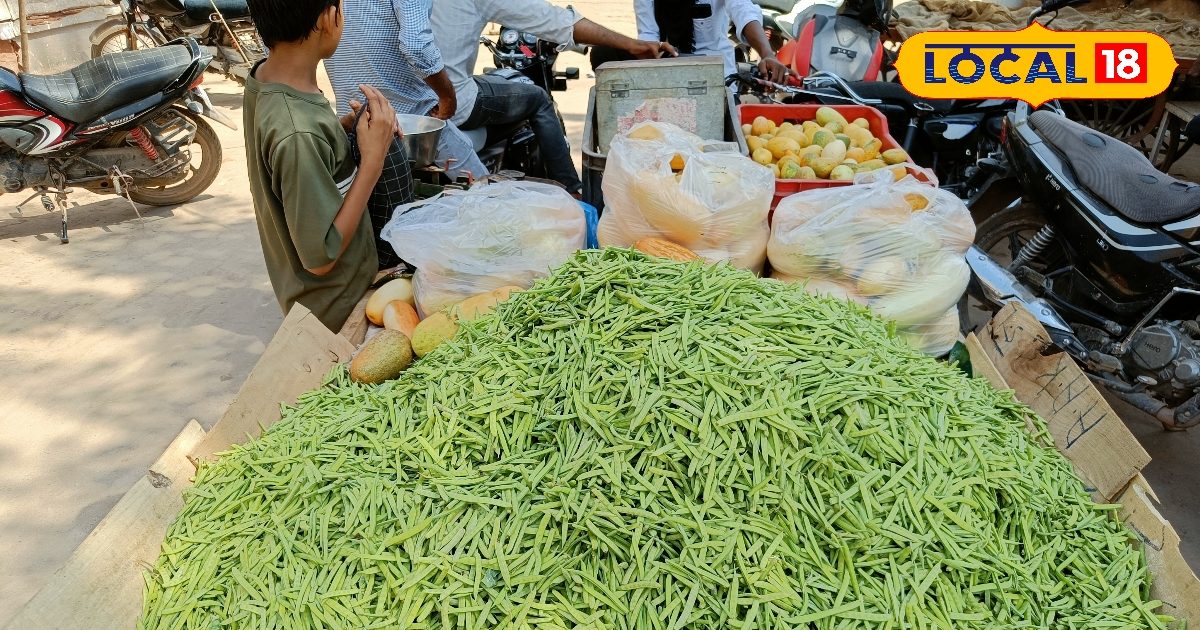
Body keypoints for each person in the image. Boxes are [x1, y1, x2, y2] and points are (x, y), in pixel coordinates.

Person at [243, 0, 397, 331]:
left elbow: (302, 159)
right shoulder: (297, 132)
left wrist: (342, 130)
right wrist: (372, 162)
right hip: (337, 307)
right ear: (329, 18)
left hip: (328, 294)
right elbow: (321, 258)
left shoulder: (266, 78)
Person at [430, 0, 676, 195]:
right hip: (452, 102)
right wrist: (633, 45)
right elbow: (558, 22)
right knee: (538, 99)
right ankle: (573, 191)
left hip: (413, 108)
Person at [324, 0, 488, 182]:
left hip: (351, 124)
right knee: (484, 190)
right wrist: (447, 96)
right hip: (413, 122)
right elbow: (416, 46)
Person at [634, 0, 792, 83]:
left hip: (718, 76)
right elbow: (648, 33)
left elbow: (742, 9)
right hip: (667, 74)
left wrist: (767, 54)